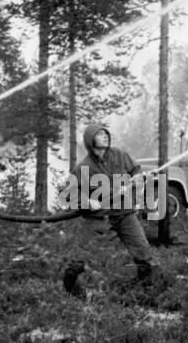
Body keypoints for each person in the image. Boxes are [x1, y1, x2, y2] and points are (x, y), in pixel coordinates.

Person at [61, 123, 157, 296]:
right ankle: (68, 289)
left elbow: (136, 170)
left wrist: (136, 179)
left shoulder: (120, 155)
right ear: (91, 141)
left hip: (124, 214)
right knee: (81, 257)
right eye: (100, 134)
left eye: (106, 133)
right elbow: (67, 194)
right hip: (99, 218)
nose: (105, 136)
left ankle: (145, 290)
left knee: (143, 250)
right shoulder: (84, 167)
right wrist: (88, 201)